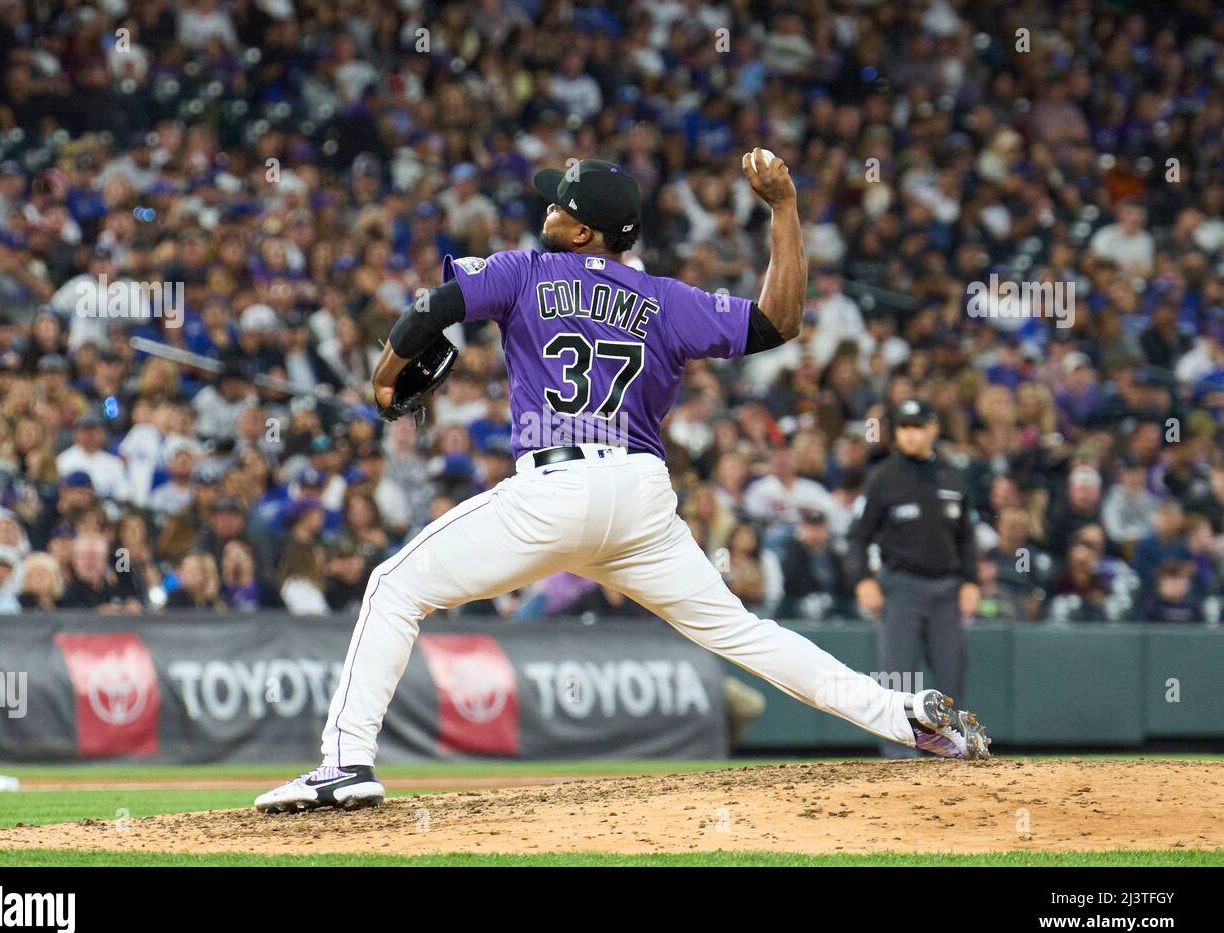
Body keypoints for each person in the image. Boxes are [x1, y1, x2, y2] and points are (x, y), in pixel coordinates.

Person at [256, 152, 990, 814]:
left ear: (582, 233)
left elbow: (429, 309)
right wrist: (784, 208)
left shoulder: (523, 270)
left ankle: (346, 763)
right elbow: (779, 321)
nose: (546, 209)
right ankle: (906, 716)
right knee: (741, 632)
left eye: (559, 206)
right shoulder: (666, 298)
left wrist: (385, 381)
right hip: (640, 497)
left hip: (554, 488)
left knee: (393, 587)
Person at [846, 399, 981, 759]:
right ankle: (898, 760)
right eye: (903, 427)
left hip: (946, 590)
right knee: (898, 681)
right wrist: (863, 579)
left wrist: (970, 581)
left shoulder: (954, 475)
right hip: (901, 586)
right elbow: (858, 536)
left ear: (933, 428)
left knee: (951, 676)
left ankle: (951, 753)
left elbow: (967, 536)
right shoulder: (883, 478)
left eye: (917, 426)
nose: (910, 434)